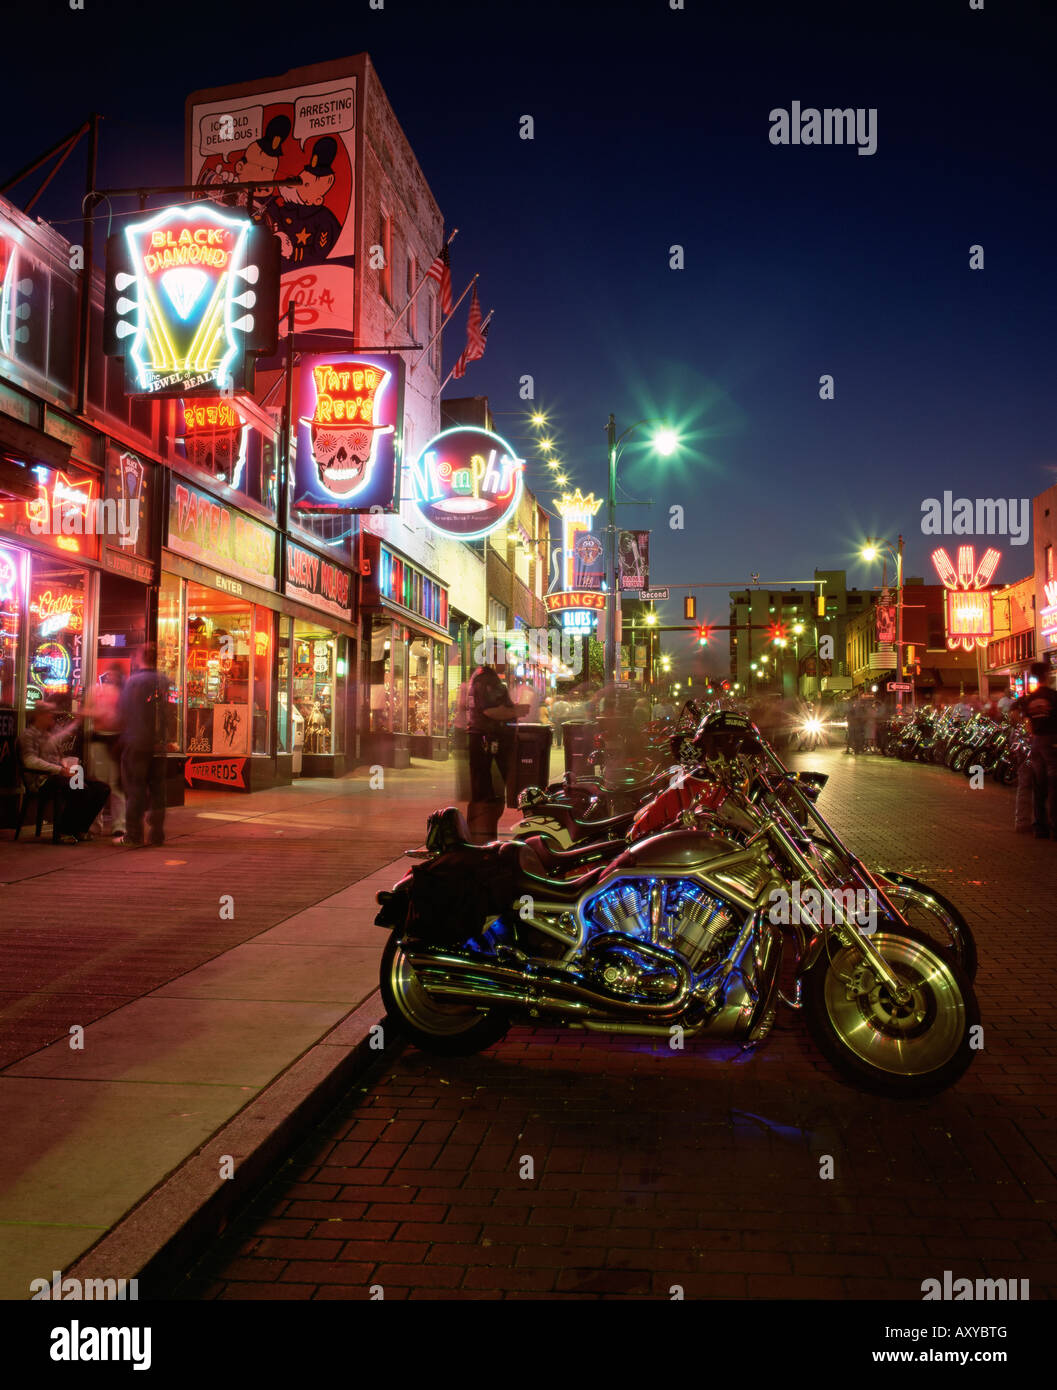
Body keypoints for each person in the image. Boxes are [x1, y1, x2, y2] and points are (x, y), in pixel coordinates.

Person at [19, 702, 110, 843]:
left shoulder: (49, 735)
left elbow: (62, 741)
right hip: (41, 780)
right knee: (79, 788)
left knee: (101, 788)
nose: (52, 717)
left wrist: (65, 766)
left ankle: (79, 829)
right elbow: (29, 761)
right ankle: (64, 832)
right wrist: (60, 769)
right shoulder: (28, 735)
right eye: (49, 714)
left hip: (57, 775)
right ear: (39, 716)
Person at [465, 662, 529, 843]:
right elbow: (490, 710)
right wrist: (516, 710)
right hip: (488, 743)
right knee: (487, 794)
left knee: (488, 794)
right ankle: (481, 840)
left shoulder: (484, 677)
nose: (506, 663)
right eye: (503, 658)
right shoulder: (486, 680)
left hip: (488, 742)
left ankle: (484, 838)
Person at [118, 643, 172, 848]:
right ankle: (157, 833)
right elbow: (170, 712)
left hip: (137, 742)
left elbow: (123, 711)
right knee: (158, 789)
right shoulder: (164, 681)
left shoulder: (133, 682)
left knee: (136, 788)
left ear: (140, 657)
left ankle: (134, 833)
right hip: (158, 744)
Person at [1012, 662, 1057, 840]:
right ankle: (1055, 827)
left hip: (1036, 742)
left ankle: (1040, 827)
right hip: (1052, 741)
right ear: (1046, 675)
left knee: (1039, 785)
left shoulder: (1030, 699)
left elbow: (1016, 714)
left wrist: (1031, 730)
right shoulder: (1053, 696)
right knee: (1054, 785)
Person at [85, 661, 126, 842]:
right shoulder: (97, 691)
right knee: (100, 786)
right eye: (110, 674)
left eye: (114, 674)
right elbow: (87, 710)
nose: (111, 677)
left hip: (115, 741)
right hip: (101, 739)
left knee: (115, 786)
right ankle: (97, 825)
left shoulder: (123, 694)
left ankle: (118, 826)